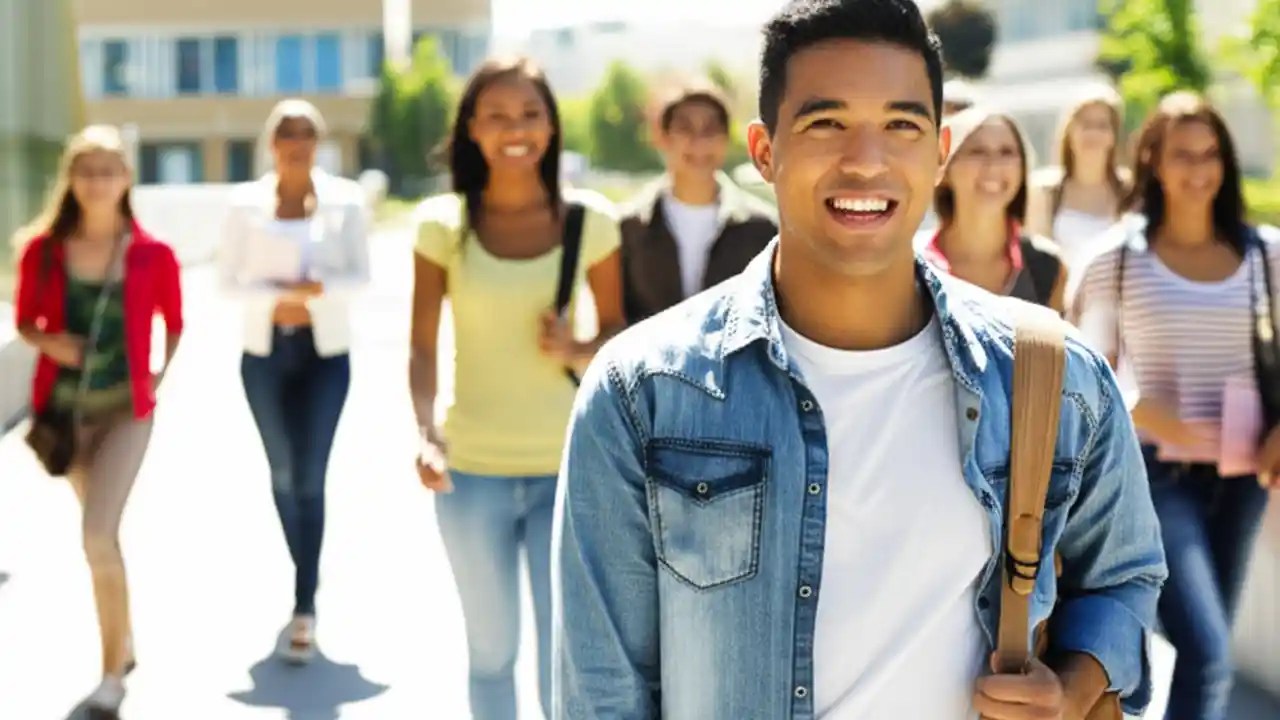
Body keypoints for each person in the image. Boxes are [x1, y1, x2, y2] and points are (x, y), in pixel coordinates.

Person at [553, 1, 1167, 719]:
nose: (867, 160)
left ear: (939, 151)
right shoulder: (643, 393)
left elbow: (1124, 577)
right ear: (764, 151)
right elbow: (602, 694)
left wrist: (1071, 688)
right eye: (826, 124)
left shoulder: (1055, 379)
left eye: (901, 126)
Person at [410, 56, 624, 720]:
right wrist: (426, 433)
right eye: (497, 115)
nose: (516, 129)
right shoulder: (442, 226)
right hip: (471, 476)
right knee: (490, 654)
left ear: (552, 126)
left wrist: (577, 347)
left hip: (571, 470)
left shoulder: (591, 221)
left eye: (531, 113)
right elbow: (421, 346)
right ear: (471, 128)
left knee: (563, 658)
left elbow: (619, 334)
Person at [1071, 91, 1274, 720]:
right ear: (1153, 161)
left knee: (1205, 650)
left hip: (1243, 478)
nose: (1198, 169)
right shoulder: (1114, 261)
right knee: (1207, 652)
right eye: (1183, 154)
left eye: (1210, 154)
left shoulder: (1265, 256)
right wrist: (1136, 405)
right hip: (1154, 476)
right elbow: (1082, 375)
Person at [13, 125, 183, 715]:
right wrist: (51, 342)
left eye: (109, 170)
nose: (97, 182)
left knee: (96, 535)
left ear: (127, 179)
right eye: (87, 171)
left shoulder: (153, 254)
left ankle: (112, 677)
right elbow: (25, 322)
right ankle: (124, 636)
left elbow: (174, 323)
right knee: (103, 538)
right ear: (71, 179)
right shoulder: (41, 251)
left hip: (125, 414)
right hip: (66, 416)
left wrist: (157, 375)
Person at [218, 99, 370, 664]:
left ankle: (305, 602)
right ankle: (305, 570)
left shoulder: (346, 202)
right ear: (271, 142)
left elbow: (362, 276)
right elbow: (227, 282)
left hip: (325, 354)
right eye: (286, 132)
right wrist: (276, 295)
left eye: (307, 132)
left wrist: (319, 290)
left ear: (319, 141)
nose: (297, 142)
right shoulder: (243, 205)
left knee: (311, 475)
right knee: (283, 473)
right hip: (265, 354)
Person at [619, 80, 777, 324]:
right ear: (663, 138)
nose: (699, 142)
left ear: (727, 139)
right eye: (685, 128)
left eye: (711, 129)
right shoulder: (629, 226)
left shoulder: (763, 229)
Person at [920, 107, 1067, 312]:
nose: (993, 166)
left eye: (1006, 152)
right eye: (977, 152)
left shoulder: (1048, 266)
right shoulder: (911, 264)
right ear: (944, 168)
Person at [1027, 85, 1130, 271]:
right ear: (1069, 131)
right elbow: (1039, 263)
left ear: (1114, 135)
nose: (1093, 133)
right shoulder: (1045, 192)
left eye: (1102, 126)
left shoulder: (1130, 189)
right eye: (1086, 124)